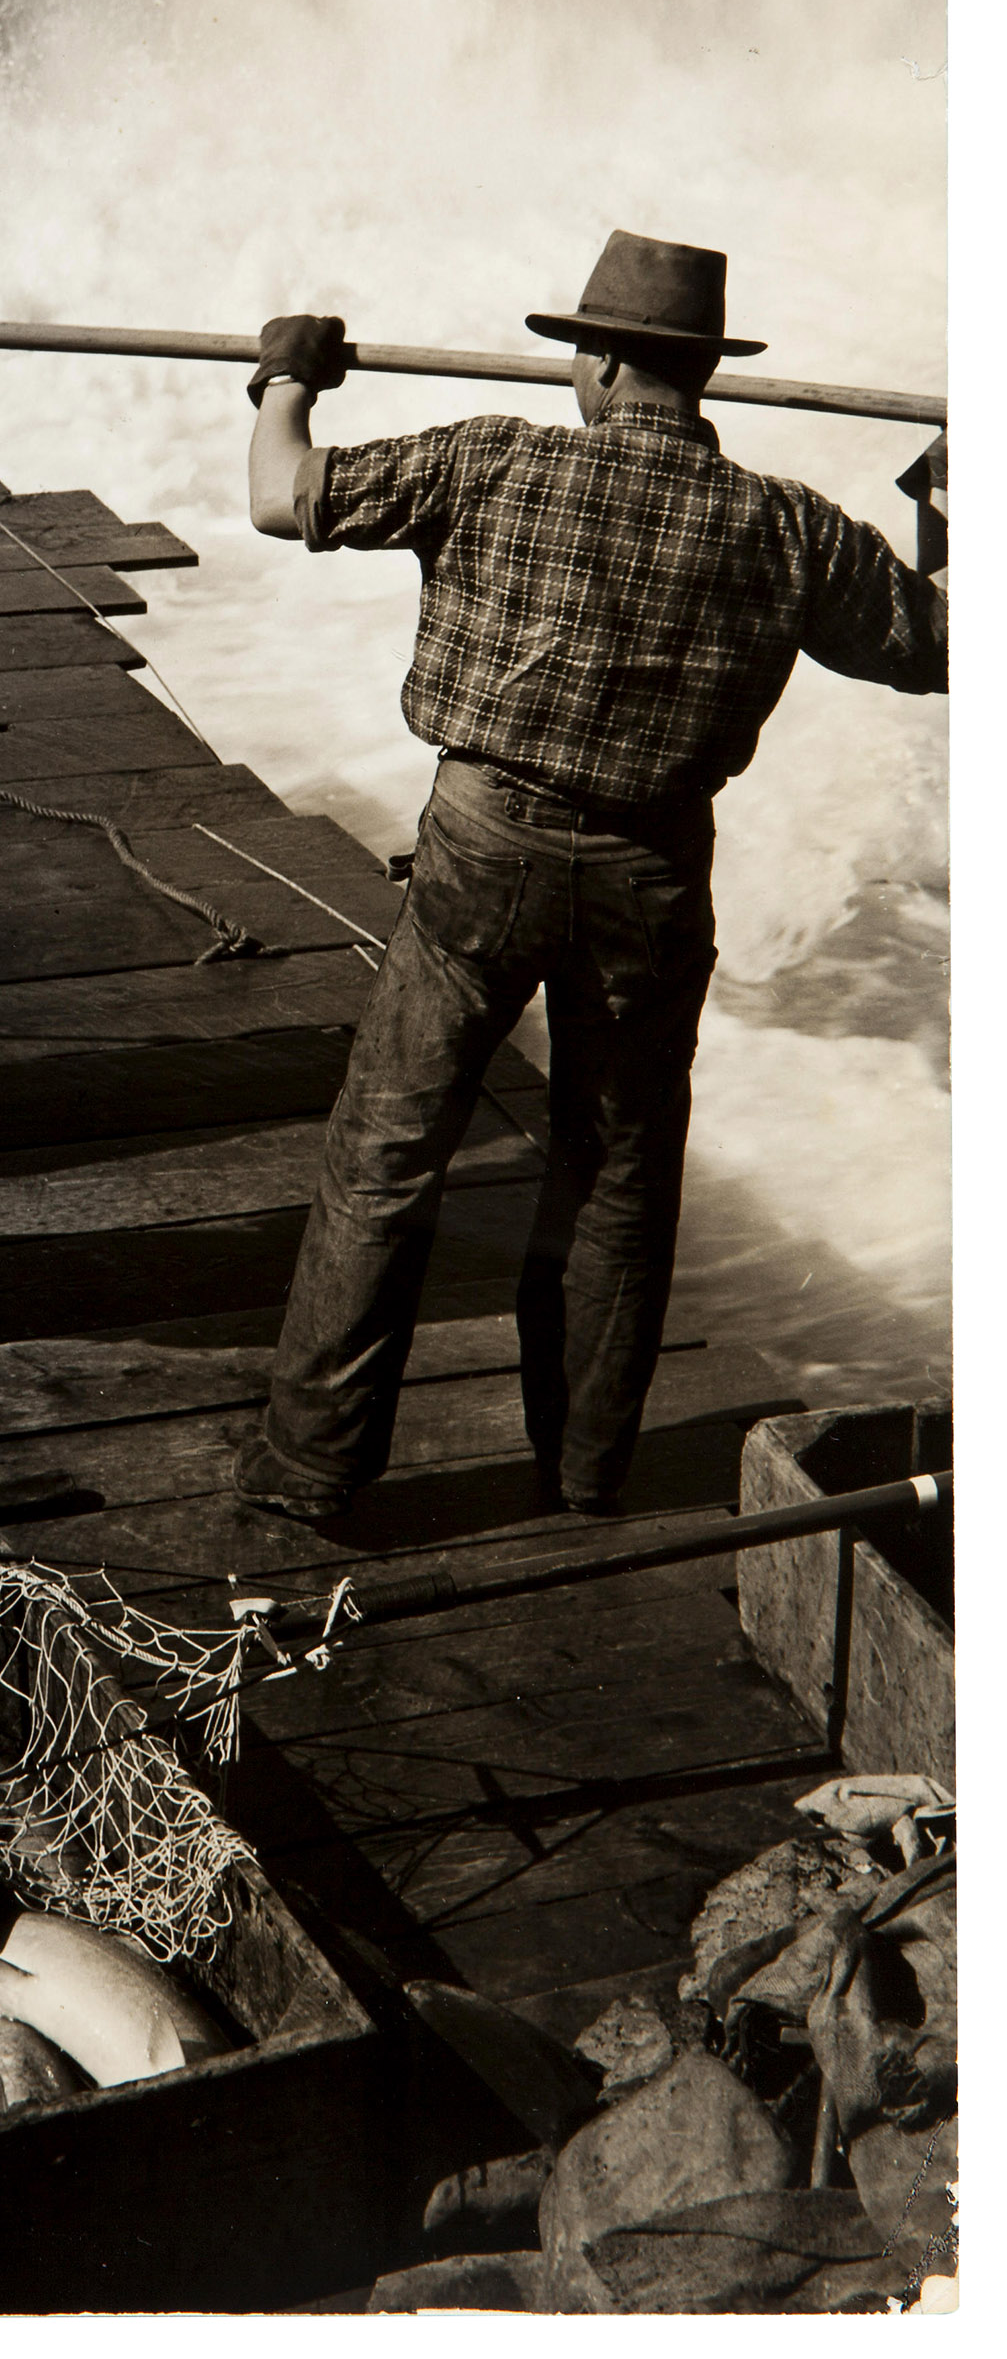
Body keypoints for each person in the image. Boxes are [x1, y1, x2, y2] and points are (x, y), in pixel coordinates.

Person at [230, 231, 946, 1526]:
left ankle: (310, 1474)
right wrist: (943, 504)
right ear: (699, 375)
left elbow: (280, 499)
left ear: (604, 364)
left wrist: (285, 380)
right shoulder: (783, 528)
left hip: (477, 849)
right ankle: (579, 1479)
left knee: (386, 1154)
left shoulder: (491, 460)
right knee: (613, 1178)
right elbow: (933, 642)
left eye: (580, 354)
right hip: (648, 874)